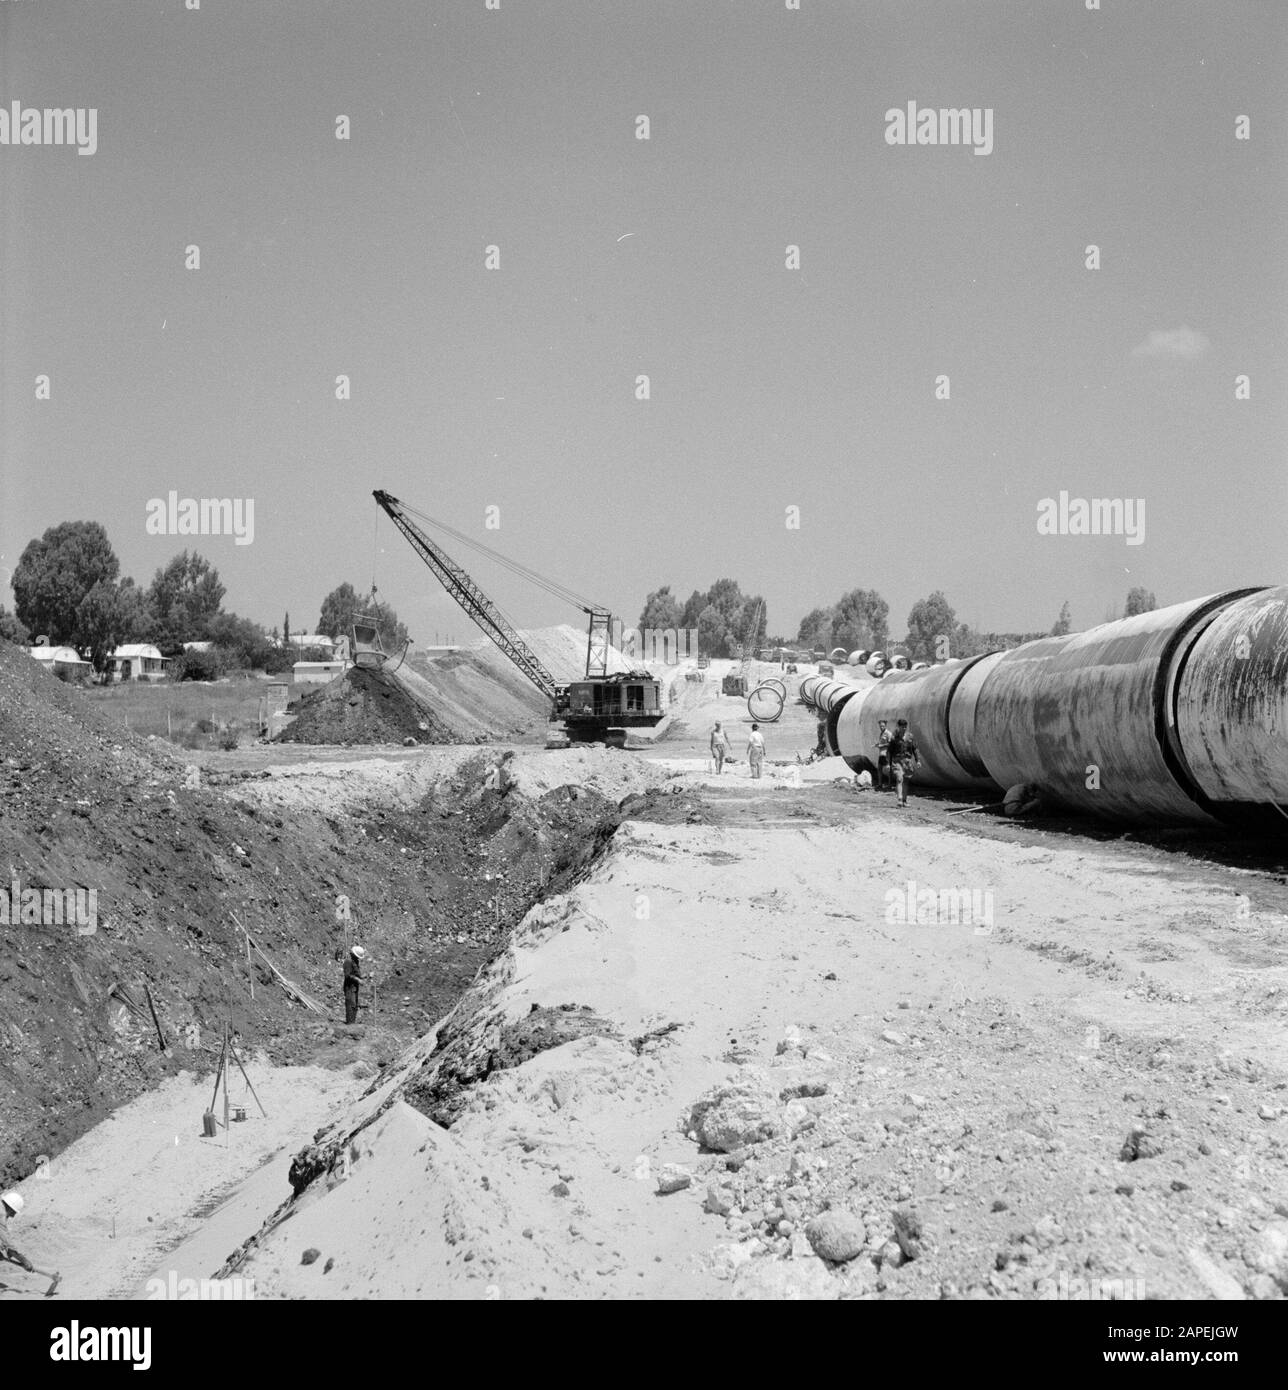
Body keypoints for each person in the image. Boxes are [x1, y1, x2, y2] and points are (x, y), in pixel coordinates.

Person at [1, 1191, 60, 1296]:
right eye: (14, 1211)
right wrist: (24, 1261)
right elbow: (8, 1243)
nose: (14, 1215)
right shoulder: (1, 1215)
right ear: (9, 1207)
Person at [887, 718, 921, 807]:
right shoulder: (894, 738)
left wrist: (918, 761)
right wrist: (888, 764)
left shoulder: (910, 737)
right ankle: (899, 799)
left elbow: (915, 749)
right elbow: (889, 752)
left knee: (905, 781)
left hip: (907, 762)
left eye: (905, 727)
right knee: (899, 778)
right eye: (902, 727)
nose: (904, 729)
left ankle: (904, 800)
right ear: (898, 727)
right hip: (897, 761)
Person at [343, 944, 369, 1024]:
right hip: (349, 987)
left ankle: (352, 1022)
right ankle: (350, 1023)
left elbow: (355, 973)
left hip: (354, 987)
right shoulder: (348, 962)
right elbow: (348, 975)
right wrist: (357, 979)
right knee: (351, 1004)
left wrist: (361, 977)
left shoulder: (355, 961)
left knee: (354, 1005)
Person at [875, 719, 893, 791]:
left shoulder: (888, 733)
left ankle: (890, 784)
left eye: (883, 726)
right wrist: (878, 744)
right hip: (881, 754)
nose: (881, 727)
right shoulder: (882, 733)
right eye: (880, 726)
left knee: (888, 769)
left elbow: (890, 744)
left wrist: (881, 745)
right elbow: (882, 743)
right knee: (879, 768)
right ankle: (880, 784)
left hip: (886, 754)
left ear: (885, 725)